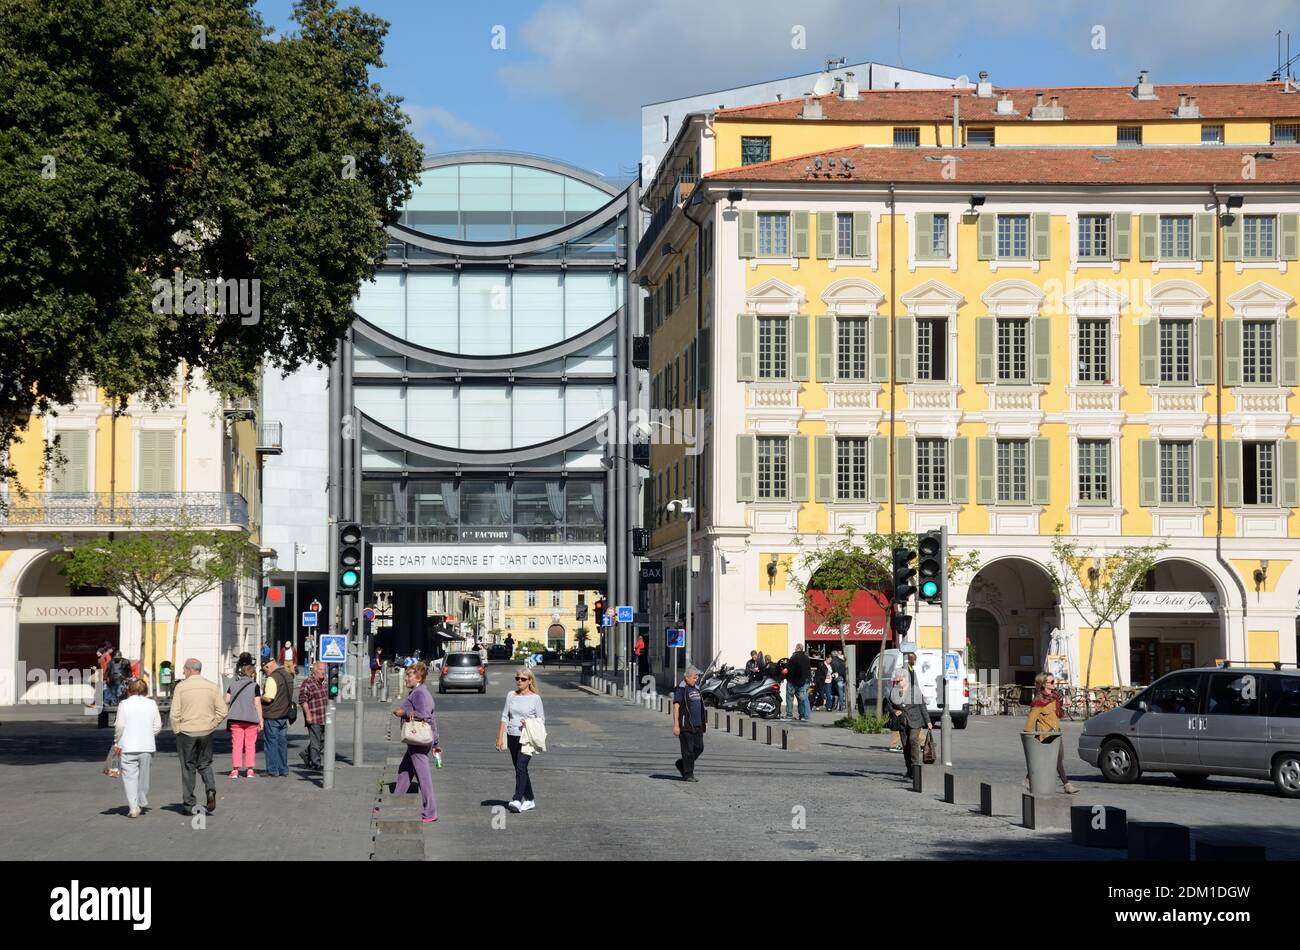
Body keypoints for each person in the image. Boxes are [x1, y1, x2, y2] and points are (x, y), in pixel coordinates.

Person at [170, 658, 228, 814]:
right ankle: (210, 788)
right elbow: (223, 711)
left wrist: (177, 730)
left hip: (187, 732)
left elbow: (174, 713)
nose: (183, 672)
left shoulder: (181, 687)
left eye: (184, 669)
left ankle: (189, 804)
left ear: (189, 669)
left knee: (188, 767)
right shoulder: (212, 686)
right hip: (206, 731)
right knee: (205, 763)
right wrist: (212, 724)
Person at [392, 662, 440, 822]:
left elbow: (424, 715)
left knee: (423, 777)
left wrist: (403, 712)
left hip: (418, 741)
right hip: (418, 741)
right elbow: (433, 719)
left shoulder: (419, 694)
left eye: (409, 675)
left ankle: (430, 812)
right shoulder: (419, 692)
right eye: (406, 675)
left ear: (418, 677)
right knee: (405, 771)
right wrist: (436, 743)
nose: (406, 678)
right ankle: (393, 804)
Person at [496, 667, 544, 813]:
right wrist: (500, 737)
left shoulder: (535, 698)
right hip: (512, 736)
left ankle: (517, 799)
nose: (519, 681)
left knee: (521, 767)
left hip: (527, 737)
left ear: (529, 681)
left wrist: (528, 723)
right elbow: (505, 716)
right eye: (517, 678)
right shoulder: (511, 695)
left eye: (523, 679)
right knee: (520, 768)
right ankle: (530, 799)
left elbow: (541, 719)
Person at [113, 678, 162, 817]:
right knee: (144, 777)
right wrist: (148, 734)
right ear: (145, 690)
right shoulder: (152, 703)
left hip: (128, 746)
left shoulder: (124, 704)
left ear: (130, 690)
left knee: (130, 777)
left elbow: (120, 725)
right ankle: (141, 798)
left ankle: (133, 807)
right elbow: (158, 725)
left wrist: (117, 740)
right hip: (147, 746)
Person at [1024, 672, 1079, 794]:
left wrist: (1064, 707)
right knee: (1055, 760)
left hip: (1056, 733)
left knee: (1045, 760)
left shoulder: (1054, 697)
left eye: (1054, 681)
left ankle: (1028, 779)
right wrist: (1028, 735)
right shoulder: (1039, 700)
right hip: (1046, 735)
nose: (1055, 684)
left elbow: (1058, 715)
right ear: (1044, 684)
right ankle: (1067, 785)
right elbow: (1031, 719)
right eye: (1052, 682)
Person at [888, 644, 933, 777]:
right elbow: (889, 704)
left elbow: (922, 706)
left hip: (915, 719)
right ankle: (909, 769)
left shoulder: (914, 685)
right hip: (902, 721)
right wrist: (894, 711)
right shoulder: (895, 690)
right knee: (905, 745)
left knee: (913, 741)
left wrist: (928, 721)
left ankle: (915, 768)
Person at [224, 662, 262, 777]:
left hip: (236, 718)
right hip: (251, 719)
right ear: (252, 674)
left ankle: (235, 770)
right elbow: (257, 704)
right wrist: (261, 720)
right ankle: (250, 769)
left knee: (237, 745)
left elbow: (227, 700)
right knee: (250, 745)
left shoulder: (233, 685)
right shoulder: (255, 686)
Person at [259, 657, 293, 777]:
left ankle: (272, 769)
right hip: (284, 715)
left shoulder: (272, 678)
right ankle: (283, 769)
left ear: (268, 667)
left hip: (273, 716)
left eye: (265, 670)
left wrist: (259, 697)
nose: (265, 673)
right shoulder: (288, 675)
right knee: (282, 743)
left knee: (271, 743)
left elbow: (269, 697)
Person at [672, 666, 707, 782]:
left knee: (699, 748)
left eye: (697, 677)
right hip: (685, 725)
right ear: (686, 678)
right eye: (694, 677)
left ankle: (682, 764)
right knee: (688, 751)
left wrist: (703, 722)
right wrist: (676, 725)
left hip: (698, 726)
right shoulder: (681, 689)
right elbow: (676, 707)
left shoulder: (696, 689)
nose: (696, 679)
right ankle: (688, 774)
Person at [298, 661, 328, 771]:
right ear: (314, 671)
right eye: (321, 669)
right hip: (314, 717)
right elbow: (303, 700)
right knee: (315, 742)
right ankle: (316, 764)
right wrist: (308, 715)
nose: (323, 672)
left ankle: (306, 754)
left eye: (324, 669)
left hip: (325, 717)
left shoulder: (324, 682)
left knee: (324, 740)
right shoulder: (308, 683)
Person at [786, 644, 812, 721]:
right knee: (801, 700)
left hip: (792, 681)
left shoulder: (794, 657)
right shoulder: (806, 658)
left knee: (790, 698)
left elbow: (789, 668)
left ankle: (789, 715)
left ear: (797, 648)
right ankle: (802, 715)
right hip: (802, 682)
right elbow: (808, 671)